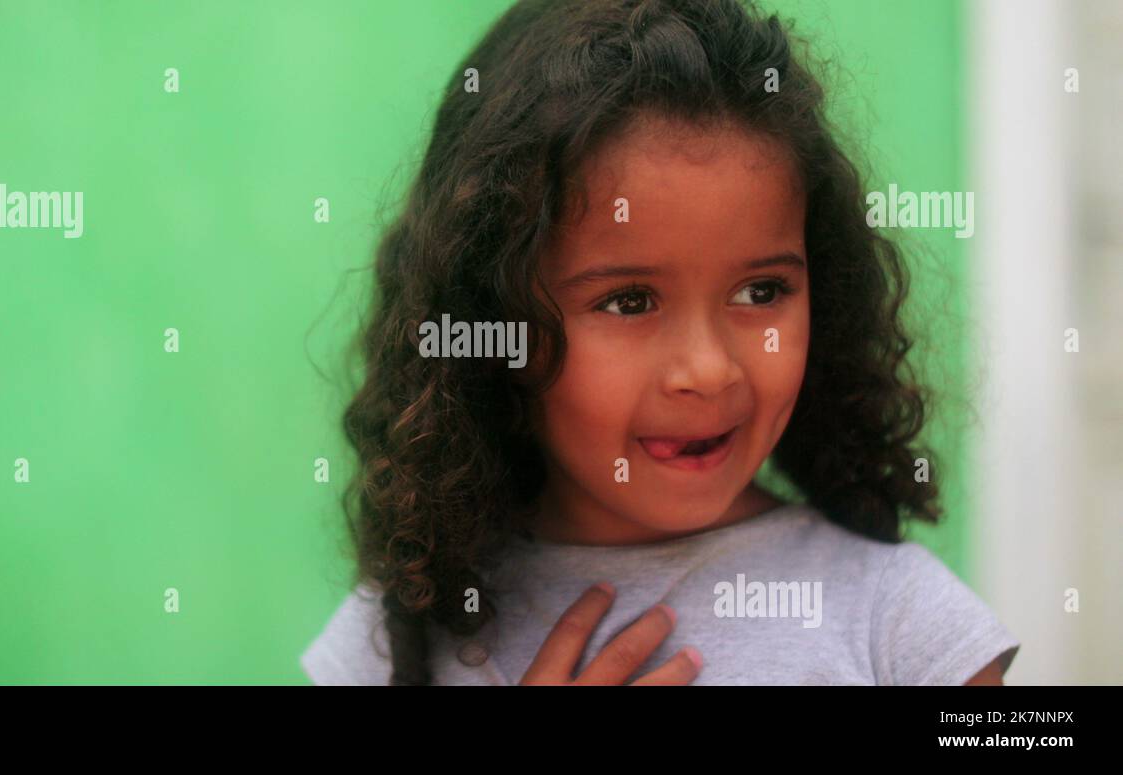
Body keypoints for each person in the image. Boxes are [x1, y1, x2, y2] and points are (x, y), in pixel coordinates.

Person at [301, 0, 1019, 685]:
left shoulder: (901, 623)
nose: (708, 370)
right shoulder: (404, 628)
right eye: (629, 300)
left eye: (761, 292)